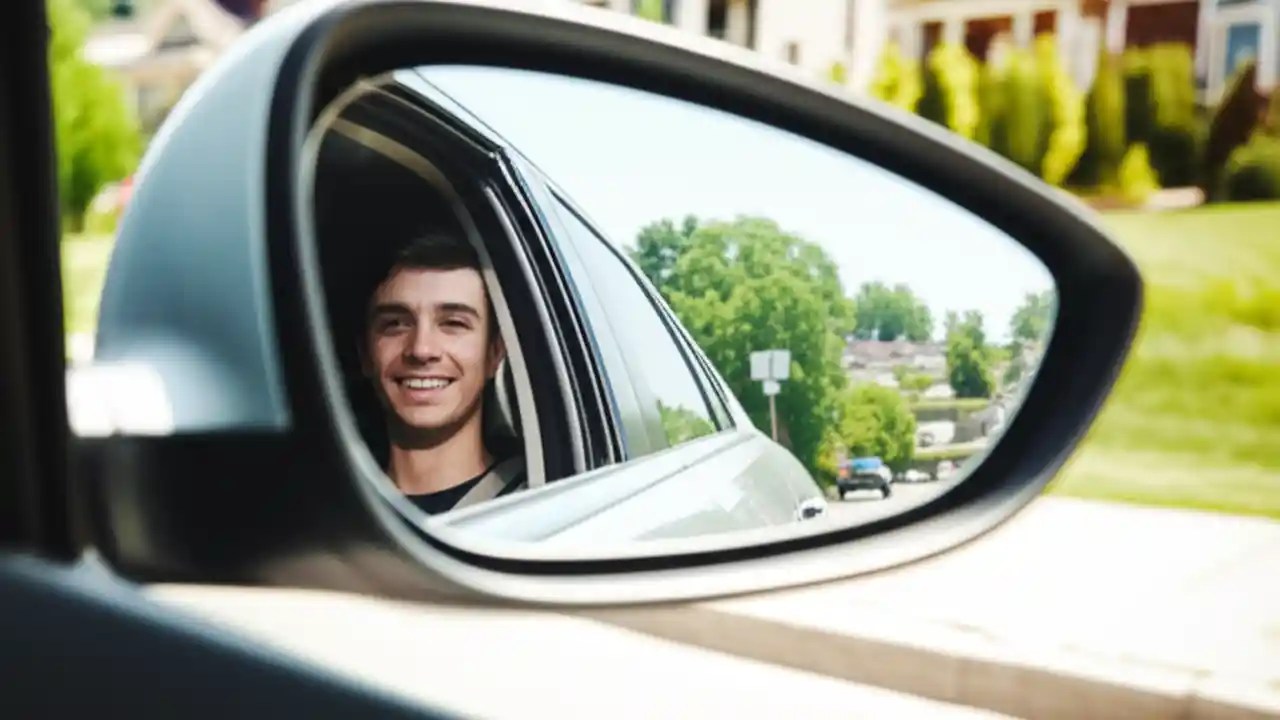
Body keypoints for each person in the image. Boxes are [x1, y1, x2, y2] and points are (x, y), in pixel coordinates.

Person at [358, 232, 526, 515]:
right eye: (396, 324)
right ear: (365, 355)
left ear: (494, 353)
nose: (421, 349)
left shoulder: (528, 500)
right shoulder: (332, 513)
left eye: (453, 323)